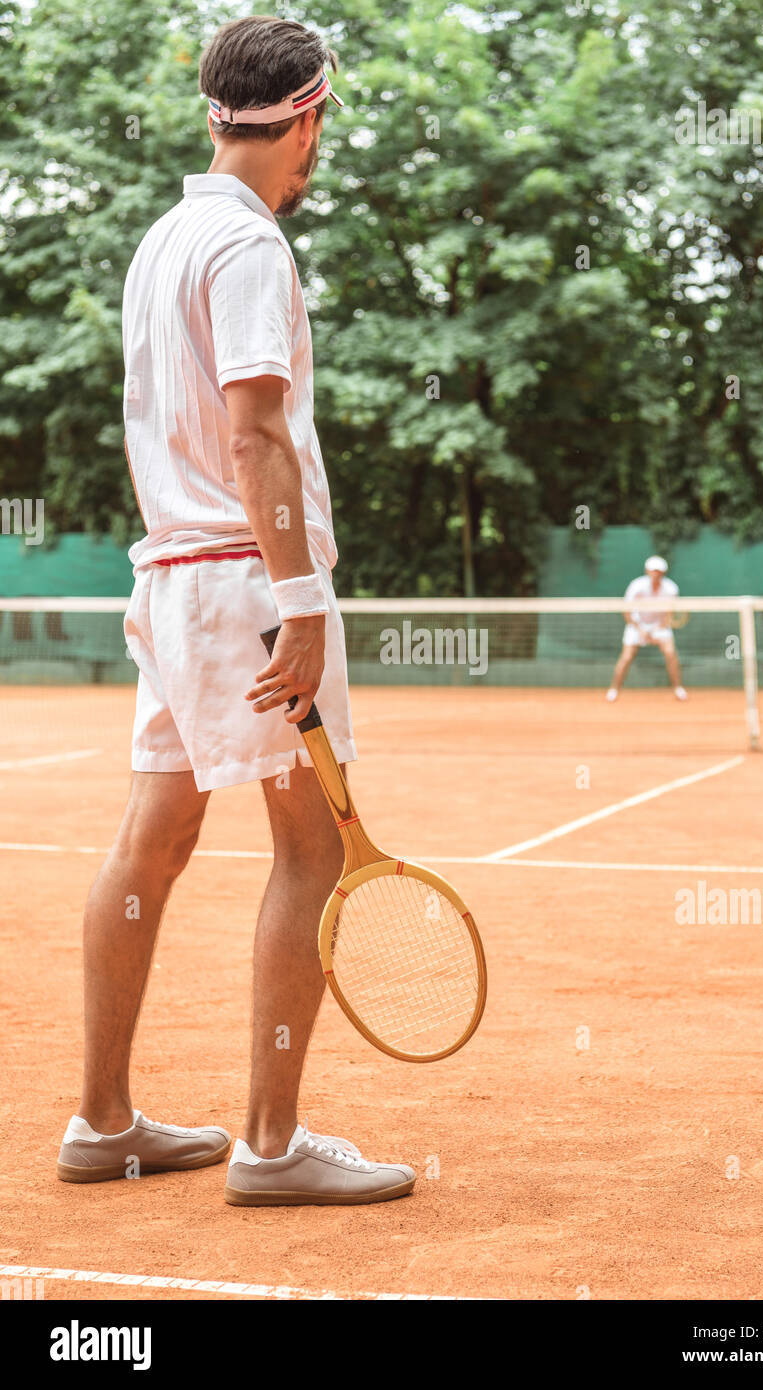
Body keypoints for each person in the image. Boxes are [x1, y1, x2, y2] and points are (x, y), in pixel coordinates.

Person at [57, 15, 415, 1208]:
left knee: (148, 841)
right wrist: (301, 597)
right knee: (311, 847)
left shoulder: (164, 237)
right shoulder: (253, 246)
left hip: (169, 580)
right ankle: (271, 1142)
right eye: (322, 128)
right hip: (252, 584)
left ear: (219, 112)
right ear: (306, 117)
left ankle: (103, 1120)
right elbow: (255, 430)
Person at [605, 556, 687, 702]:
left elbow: (669, 614)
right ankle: (614, 690)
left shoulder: (671, 588)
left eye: (659, 571)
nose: (656, 574)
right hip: (636, 625)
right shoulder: (636, 586)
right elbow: (627, 611)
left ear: (663, 573)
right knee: (626, 657)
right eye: (653, 570)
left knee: (670, 653)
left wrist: (657, 629)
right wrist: (640, 629)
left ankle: (678, 689)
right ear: (647, 571)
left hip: (660, 626)